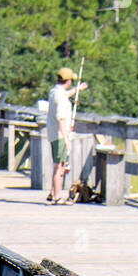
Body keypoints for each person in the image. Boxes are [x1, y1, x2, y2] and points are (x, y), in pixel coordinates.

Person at [46, 66, 87, 204]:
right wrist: (66, 139)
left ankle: (52, 193)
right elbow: (61, 118)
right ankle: (57, 197)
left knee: (57, 164)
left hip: (53, 134)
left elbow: (64, 96)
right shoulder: (62, 98)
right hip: (60, 135)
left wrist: (77, 90)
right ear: (68, 81)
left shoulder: (54, 92)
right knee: (60, 167)